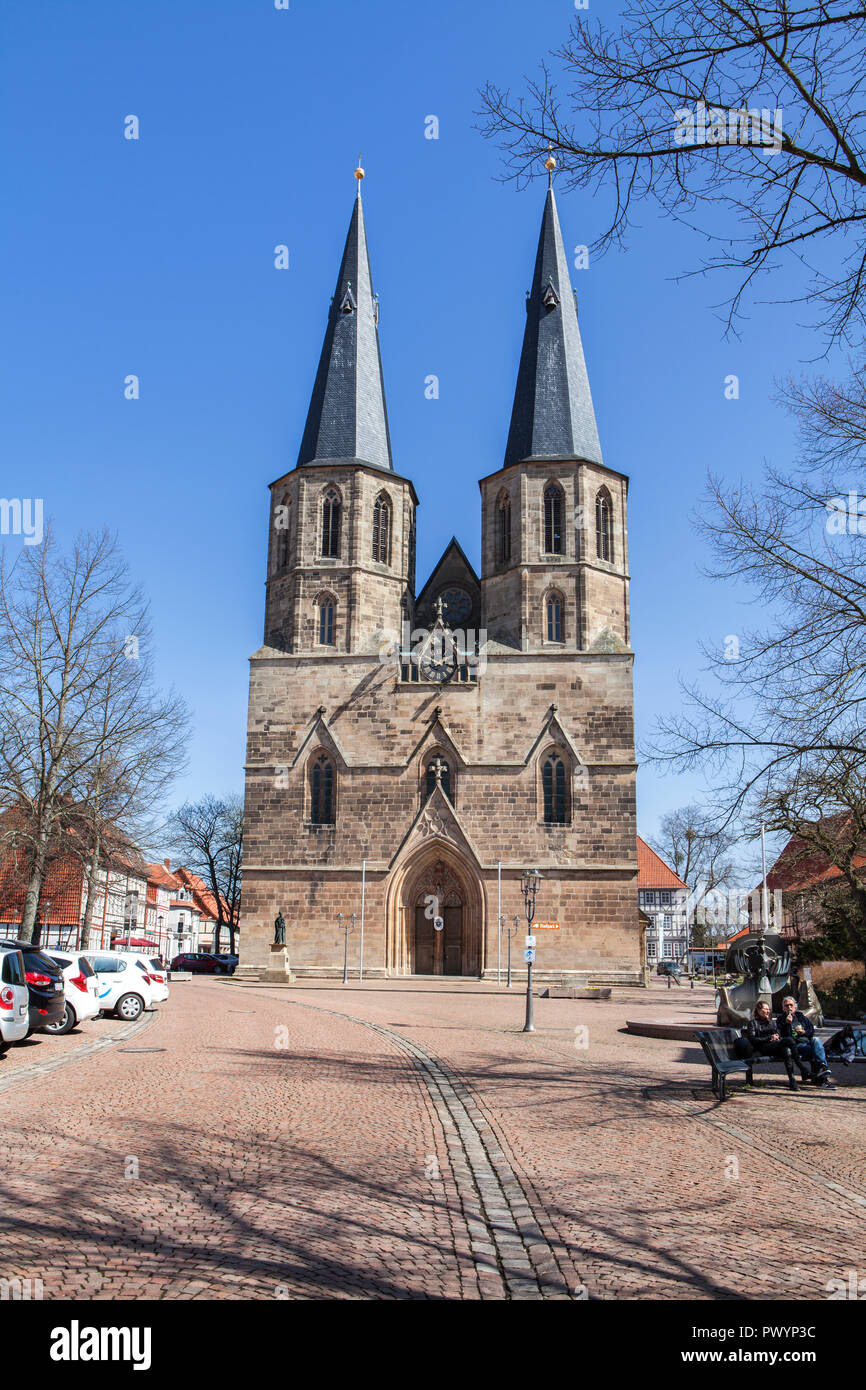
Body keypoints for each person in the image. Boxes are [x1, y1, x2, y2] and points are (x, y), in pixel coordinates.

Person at [733, 1000, 800, 1090]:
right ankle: (801, 1067)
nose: (768, 1011)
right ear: (759, 1010)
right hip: (761, 1049)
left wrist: (776, 1037)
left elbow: (778, 1034)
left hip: (773, 1047)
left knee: (786, 1050)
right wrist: (768, 1038)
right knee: (788, 1040)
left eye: (769, 1009)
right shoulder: (753, 1023)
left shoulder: (772, 1022)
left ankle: (792, 1080)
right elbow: (752, 1040)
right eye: (765, 1009)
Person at [777, 996, 831, 1086]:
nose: (789, 1007)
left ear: (795, 1006)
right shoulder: (781, 1020)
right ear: (783, 1008)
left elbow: (811, 1030)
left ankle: (822, 1067)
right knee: (818, 1051)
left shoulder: (800, 1017)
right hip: (796, 1045)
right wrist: (787, 1024)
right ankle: (823, 1073)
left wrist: (804, 1032)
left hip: (807, 1042)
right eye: (786, 1006)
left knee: (816, 1040)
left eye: (791, 1005)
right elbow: (782, 1035)